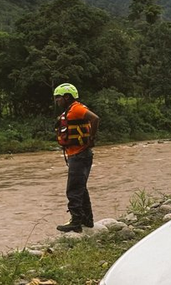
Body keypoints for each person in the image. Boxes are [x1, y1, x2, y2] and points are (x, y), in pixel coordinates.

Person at [54, 83, 100, 233]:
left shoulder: (77, 109)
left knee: (73, 189)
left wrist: (91, 138)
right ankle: (87, 220)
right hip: (76, 154)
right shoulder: (69, 110)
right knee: (80, 188)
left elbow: (95, 118)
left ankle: (76, 221)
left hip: (80, 154)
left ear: (67, 97)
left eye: (58, 98)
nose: (57, 101)